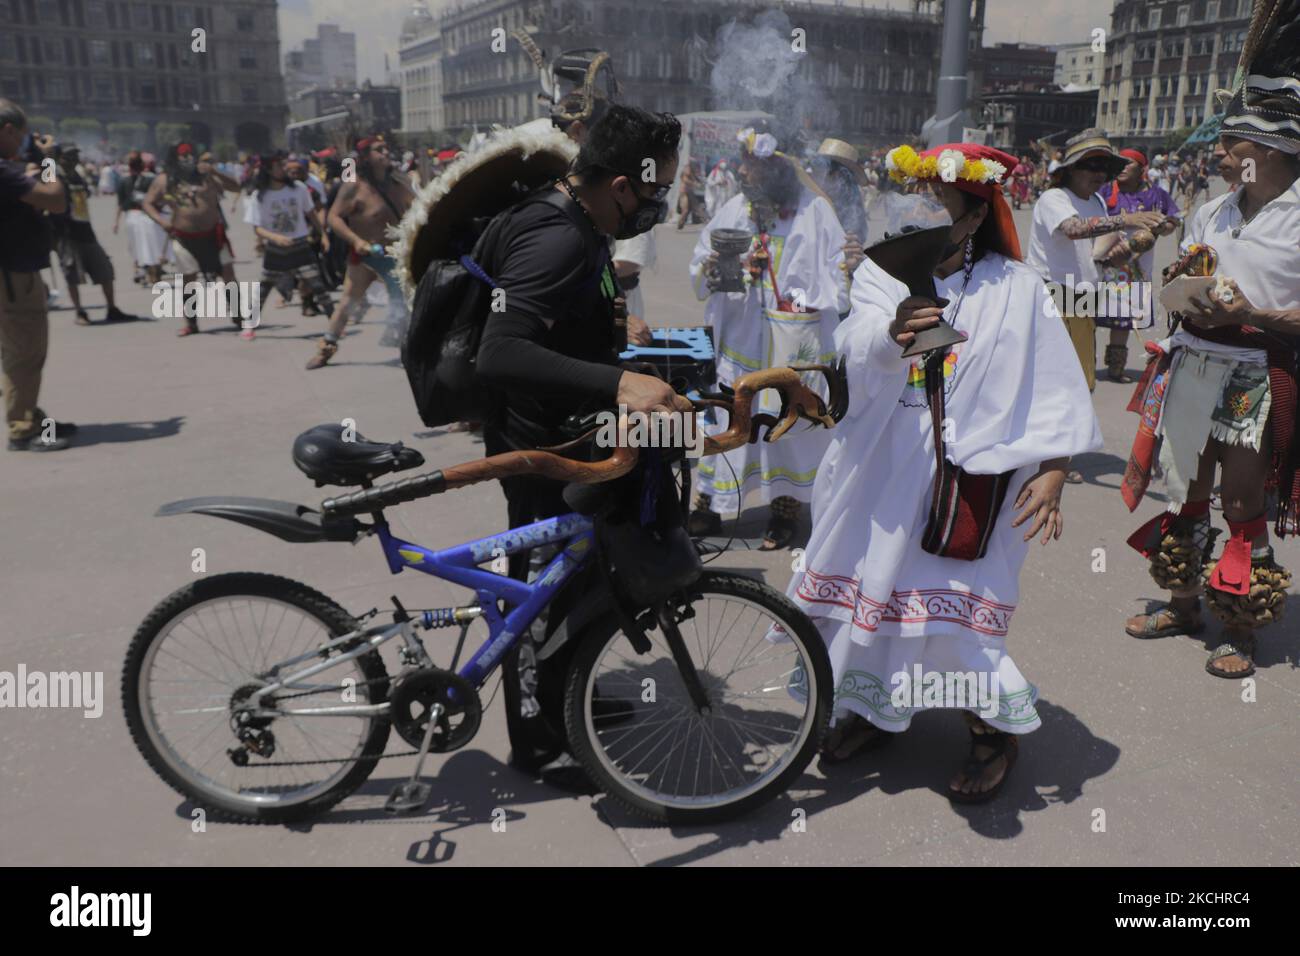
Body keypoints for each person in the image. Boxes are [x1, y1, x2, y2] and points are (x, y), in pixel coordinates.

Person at [786, 142, 1102, 802]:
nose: (923, 212)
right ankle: (874, 709)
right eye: (917, 199)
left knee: (958, 617)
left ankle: (992, 731)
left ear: (974, 215)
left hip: (973, 481)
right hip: (879, 470)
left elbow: (1053, 381)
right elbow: (853, 343)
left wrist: (1054, 469)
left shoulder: (1015, 287)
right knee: (866, 595)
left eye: (941, 202)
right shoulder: (883, 273)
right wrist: (890, 333)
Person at [471, 104, 684, 784]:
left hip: (572, 442)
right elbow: (500, 353)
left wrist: (616, 318)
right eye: (655, 191)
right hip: (539, 452)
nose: (658, 205)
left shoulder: (580, 220)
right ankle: (537, 740)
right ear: (621, 184)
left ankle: (570, 701)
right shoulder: (557, 236)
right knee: (536, 598)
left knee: (576, 584)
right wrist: (618, 380)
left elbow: (557, 315)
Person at [1121, 0, 1300, 679]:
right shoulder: (1209, 209)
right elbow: (1193, 267)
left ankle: (1239, 624)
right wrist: (1180, 278)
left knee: (1243, 502)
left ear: (1275, 151)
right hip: (1194, 361)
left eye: (1233, 146)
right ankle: (1183, 602)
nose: (1219, 154)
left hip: (1257, 371)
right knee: (1186, 490)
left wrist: (1255, 313)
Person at [688, 122, 855, 549]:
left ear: (778, 167)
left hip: (789, 339)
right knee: (726, 412)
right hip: (739, 338)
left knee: (786, 424)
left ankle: (785, 512)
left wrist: (836, 278)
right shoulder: (735, 208)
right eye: (742, 162)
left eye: (752, 164)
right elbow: (702, 258)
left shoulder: (814, 211)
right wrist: (713, 268)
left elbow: (839, 278)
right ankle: (709, 505)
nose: (742, 172)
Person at [1025, 128, 1167, 481]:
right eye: (1091, 165)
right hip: (1053, 295)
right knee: (1053, 381)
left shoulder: (1098, 204)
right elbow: (1073, 230)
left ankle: (1058, 457)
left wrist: (1138, 243)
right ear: (1070, 168)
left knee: (1078, 381)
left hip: (1083, 297)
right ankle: (1045, 459)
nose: (1098, 173)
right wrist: (1127, 219)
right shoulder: (1054, 198)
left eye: (1104, 166)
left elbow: (1101, 257)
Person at [0, 98, 77, 451]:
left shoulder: (8, 169)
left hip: (14, 273)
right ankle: (23, 427)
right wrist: (48, 162)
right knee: (25, 352)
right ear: (9, 130)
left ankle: (29, 412)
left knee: (18, 350)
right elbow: (56, 199)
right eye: (22, 135)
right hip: (12, 276)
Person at [304, 136, 415, 369]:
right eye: (378, 150)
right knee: (347, 303)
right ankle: (326, 348)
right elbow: (334, 218)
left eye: (386, 148)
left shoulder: (398, 183)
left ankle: (409, 350)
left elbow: (418, 208)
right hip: (365, 256)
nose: (385, 153)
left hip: (395, 256)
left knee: (404, 303)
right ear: (365, 157)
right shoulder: (354, 185)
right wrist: (356, 241)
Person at [1094, 148, 1181, 382]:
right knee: (1088, 314)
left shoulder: (1157, 195)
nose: (1122, 167)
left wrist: (1164, 227)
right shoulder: (1103, 192)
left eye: (1128, 163)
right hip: (1102, 263)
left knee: (1122, 320)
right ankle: (1083, 365)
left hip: (1136, 268)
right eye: (1119, 163)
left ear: (1142, 169)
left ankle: (1115, 368)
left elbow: (1172, 219)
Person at [142, 142, 242, 335]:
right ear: (174, 158)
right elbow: (148, 203)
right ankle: (192, 323)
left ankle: (238, 315)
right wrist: (162, 222)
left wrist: (215, 172)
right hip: (184, 238)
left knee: (228, 274)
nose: (187, 158)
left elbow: (236, 187)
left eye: (190, 154)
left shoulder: (208, 176)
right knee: (188, 279)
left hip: (213, 234)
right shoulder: (165, 180)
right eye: (183, 155)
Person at [243, 152, 332, 341]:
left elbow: (311, 213)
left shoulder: (299, 189)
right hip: (276, 248)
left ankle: (335, 323)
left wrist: (323, 234)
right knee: (264, 287)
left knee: (317, 285)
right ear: (268, 169)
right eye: (280, 166)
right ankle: (250, 325)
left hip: (300, 244)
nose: (284, 169)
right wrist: (275, 237)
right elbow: (257, 228)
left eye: (284, 165)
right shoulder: (260, 195)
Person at [50, 144, 135, 325]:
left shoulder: (77, 175)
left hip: (85, 229)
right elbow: (46, 180)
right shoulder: (53, 174)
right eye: (68, 156)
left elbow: (85, 193)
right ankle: (79, 311)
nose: (73, 160)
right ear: (59, 158)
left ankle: (112, 308)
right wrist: (47, 156)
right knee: (71, 273)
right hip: (65, 232)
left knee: (104, 269)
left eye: (75, 156)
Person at [113, 151, 168, 287]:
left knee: (138, 245)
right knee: (149, 245)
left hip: (134, 216)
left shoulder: (124, 180)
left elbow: (120, 204)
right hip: (146, 215)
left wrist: (116, 221)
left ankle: (140, 270)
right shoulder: (149, 178)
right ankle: (151, 273)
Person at [809, 138, 868, 240]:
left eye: (821, 169)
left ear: (838, 175)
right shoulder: (811, 200)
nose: (815, 175)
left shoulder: (850, 209)